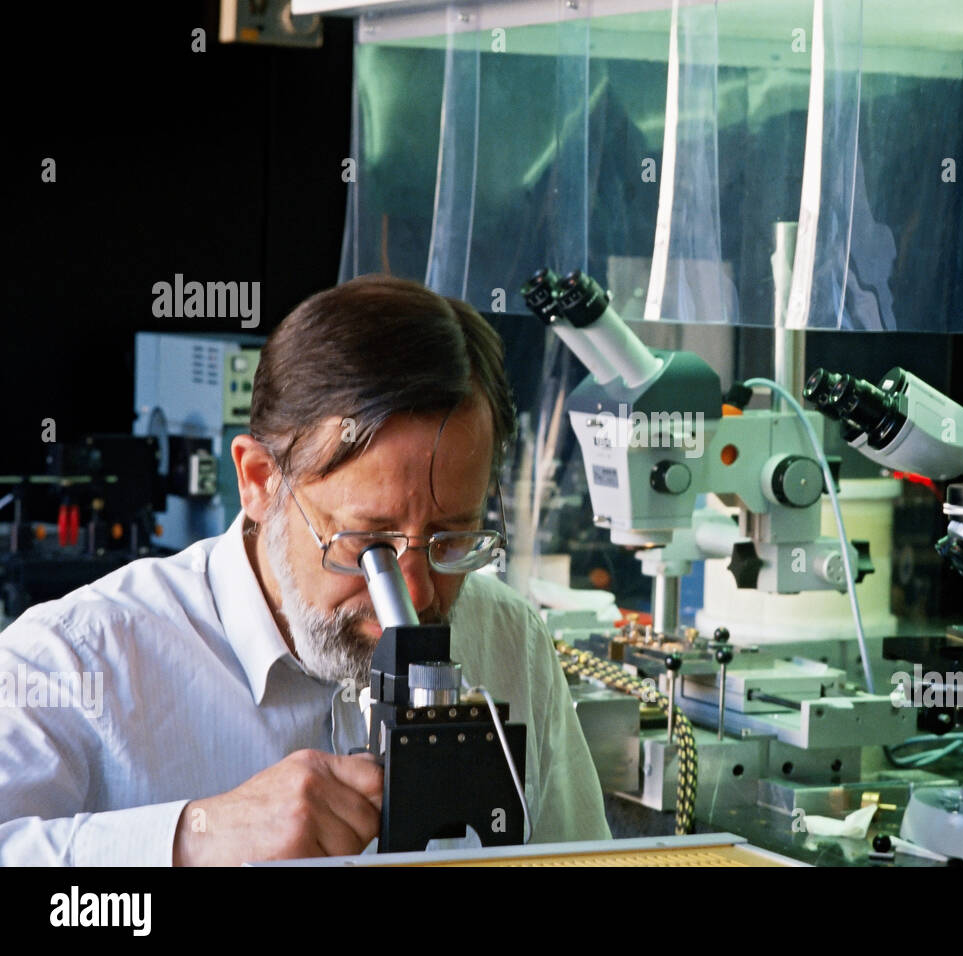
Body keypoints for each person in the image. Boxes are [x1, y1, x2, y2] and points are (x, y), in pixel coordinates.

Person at [0, 276, 610, 865]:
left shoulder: (509, 639)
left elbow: (586, 865)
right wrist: (193, 840)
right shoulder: (71, 660)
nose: (417, 594)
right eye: (368, 544)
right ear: (260, 481)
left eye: (452, 539)